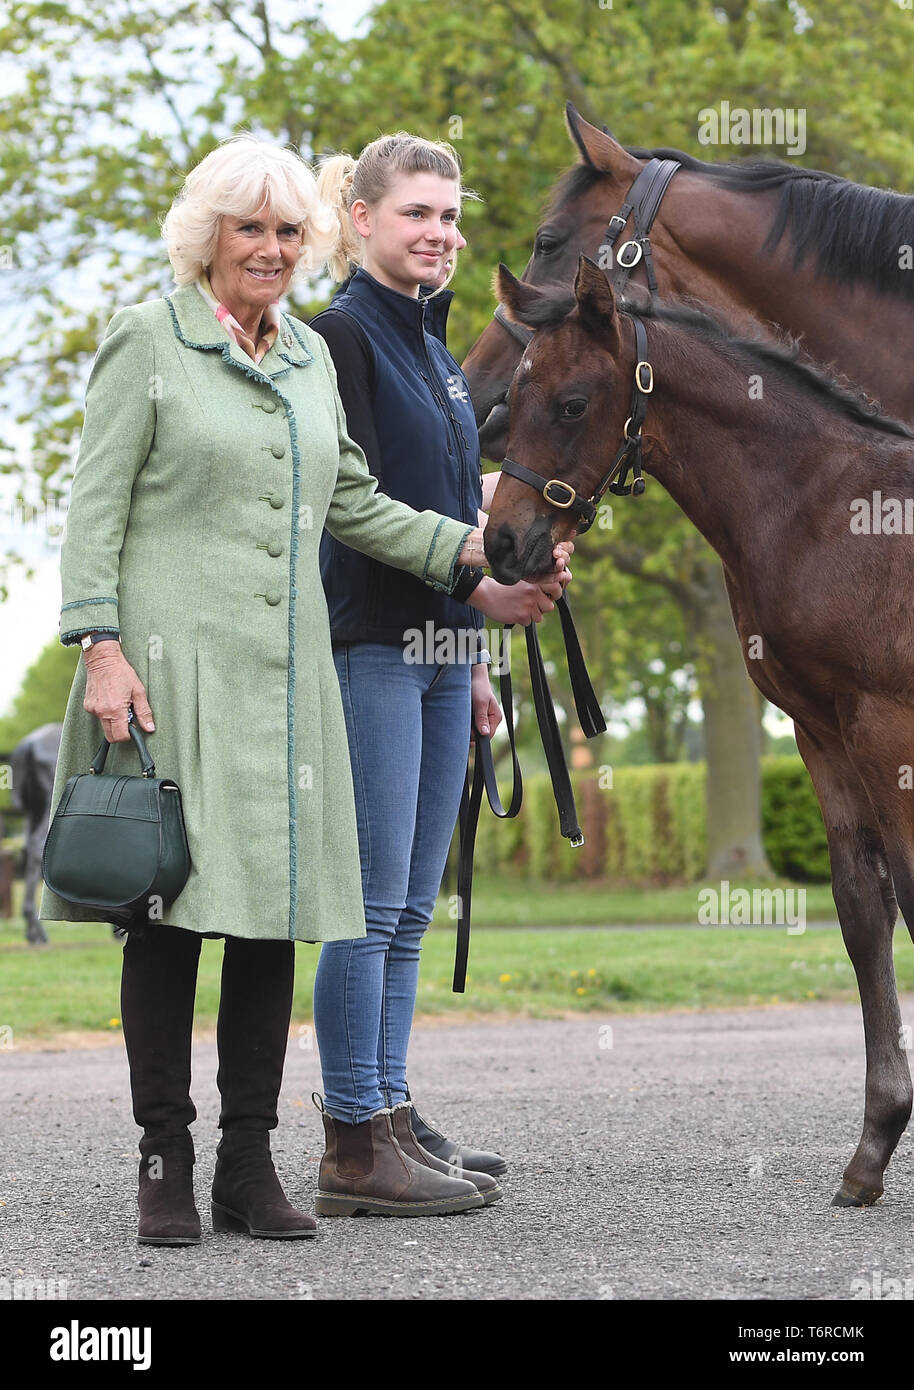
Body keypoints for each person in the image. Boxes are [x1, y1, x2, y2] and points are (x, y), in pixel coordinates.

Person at [37, 133, 506, 1244]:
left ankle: (248, 1166)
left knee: (268, 924)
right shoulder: (148, 338)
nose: (269, 247)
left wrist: (471, 557)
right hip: (162, 677)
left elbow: (354, 503)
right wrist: (99, 647)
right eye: (248, 227)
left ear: (311, 241)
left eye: (289, 229)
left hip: (282, 682)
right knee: (163, 921)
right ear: (208, 234)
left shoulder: (304, 357)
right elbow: (93, 511)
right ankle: (167, 1156)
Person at [308, 133, 572, 1216]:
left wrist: (470, 652)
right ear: (361, 218)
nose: (439, 234)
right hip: (368, 642)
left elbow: (458, 506)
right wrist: (477, 563)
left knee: (414, 906)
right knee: (366, 907)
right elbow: (354, 507)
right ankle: (348, 1142)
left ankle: (391, 1110)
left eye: (451, 218)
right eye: (417, 212)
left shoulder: (437, 355)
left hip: (430, 655)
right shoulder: (339, 341)